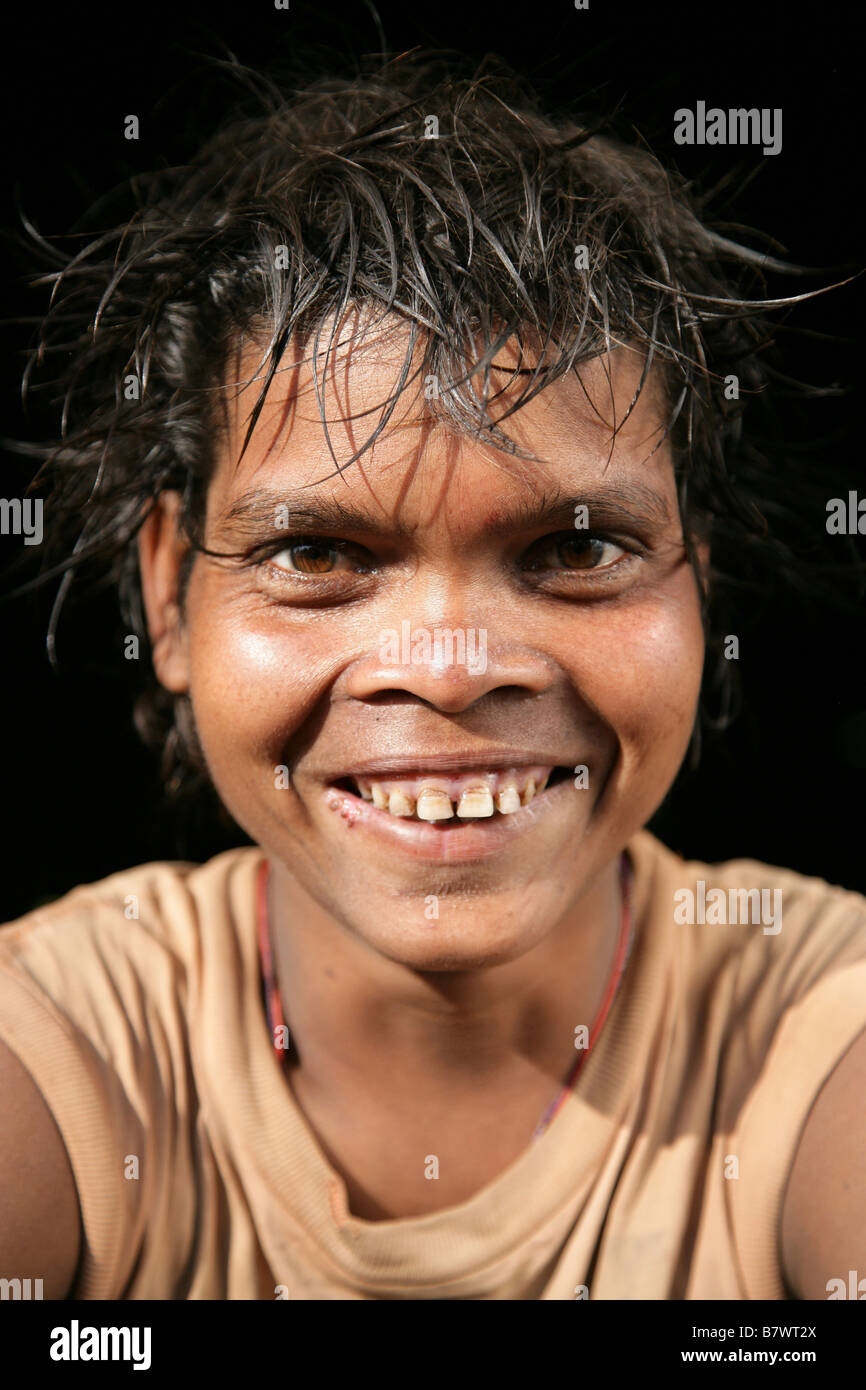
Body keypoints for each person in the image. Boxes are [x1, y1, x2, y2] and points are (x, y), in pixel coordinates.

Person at [1, 48, 863, 1301]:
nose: (450, 671)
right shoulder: (61, 1049)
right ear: (168, 594)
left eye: (574, 549)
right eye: (317, 552)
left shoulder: (816, 1024)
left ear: (697, 581)